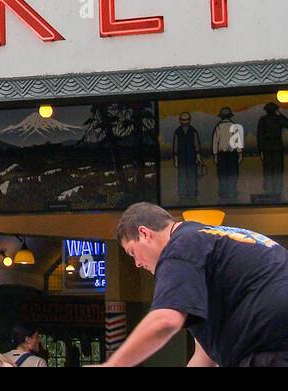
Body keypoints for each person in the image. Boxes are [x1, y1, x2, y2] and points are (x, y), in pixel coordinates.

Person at [104, 201, 288, 367]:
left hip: (272, 349)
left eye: (132, 252)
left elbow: (165, 320)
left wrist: (113, 365)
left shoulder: (181, 246)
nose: (137, 263)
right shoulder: (211, 242)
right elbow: (205, 357)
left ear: (144, 234)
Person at [257, 101, 288, 199]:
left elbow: (259, 136)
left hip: (271, 148)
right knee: (273, 171)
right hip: (273, 147)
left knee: (271, 171)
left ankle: (273, 191)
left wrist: (260, 149)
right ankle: (273, 191)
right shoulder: (275, 119)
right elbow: (260, 135)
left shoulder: (264, 120)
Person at [212, 107, 243, 200]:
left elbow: (215, 142)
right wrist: (240, 153)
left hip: (222, 154)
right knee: (233, 174)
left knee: (222, 175)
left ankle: (223, 193)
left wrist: (215, 154)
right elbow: (238, 141)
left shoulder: (218, 127)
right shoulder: (234, 126)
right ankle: (232, 192)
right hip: (232, 154)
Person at [172, 112, 202, 201]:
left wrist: (198, 157)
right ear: (180, 121)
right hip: (181, 158)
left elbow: (197, 145)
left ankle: (192, 194)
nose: (185, 122)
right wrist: (176, 159)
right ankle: (182, 194)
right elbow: (175, 147)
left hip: (191, 157)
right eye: (183, 120)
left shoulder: (193, 131)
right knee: (182, 177)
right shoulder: (177, 132)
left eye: (186, 120)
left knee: (192, 176)